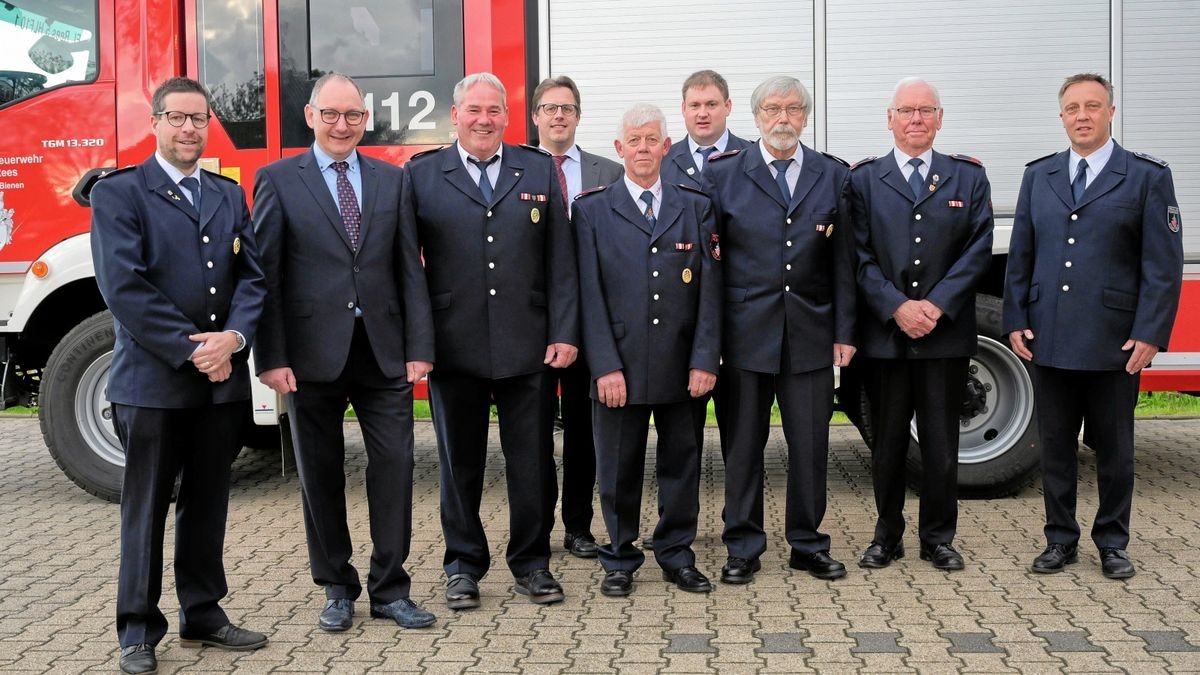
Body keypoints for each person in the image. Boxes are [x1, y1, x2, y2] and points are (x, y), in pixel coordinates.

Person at [90, 76, 268, 674]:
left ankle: (203, 614)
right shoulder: (120, 194)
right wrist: (193, 350)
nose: (189, 129)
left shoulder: (227, 193)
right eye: (177, 118)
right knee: (146, 509)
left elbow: (252, 277)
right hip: (153, 382)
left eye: (199, 119)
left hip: (220, 381)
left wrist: (234, 339)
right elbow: (124, 287)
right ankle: (138, 630)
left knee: (208, 502)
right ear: (155, 123)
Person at [252, 73, 437, 632]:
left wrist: (419, 346)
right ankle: (336, 586)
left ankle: (391, 589)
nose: (342, 125)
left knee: (395, 468)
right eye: (331, 114)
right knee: (321, 474)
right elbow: (267, 276)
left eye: (353, 115)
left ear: (365, 120)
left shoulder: (392, 180)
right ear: (310, 116)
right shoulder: (278, 180)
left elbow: (410, 268)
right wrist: (271, 356)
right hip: (310, 357)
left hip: (384, 353)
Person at [403, 72, 579, 609]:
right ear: (455, 115)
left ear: (508, 115)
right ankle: (462, 566)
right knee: (460, 464)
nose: (485, 119)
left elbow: (561, 258)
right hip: (453, 345)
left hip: (529, 344)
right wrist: (419, 343)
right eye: (474, 110)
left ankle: (532, 563)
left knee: (532, 461)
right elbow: (408, 268)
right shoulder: (423, 173)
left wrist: (564, 331)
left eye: (494, 110)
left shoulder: (538, 168)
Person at [1003, 73, 1183, 579]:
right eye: (1072, 108)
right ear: (1061, 116)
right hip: (1050, 335)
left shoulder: (1145, 176)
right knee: (1055, 449)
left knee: (1115, 450)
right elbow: (1022, 253)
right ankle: (1060, 539)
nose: (1082, 115)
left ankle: (1112, 542)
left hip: (1115, 340)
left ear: (1111, 112)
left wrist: (1150, 333)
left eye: (1093, 106)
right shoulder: (1040, 175)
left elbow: (1162, 265)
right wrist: (1016, 317)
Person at [702, 75, 856, 584]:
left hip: (810, 332)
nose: (783, 118)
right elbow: (710, 265)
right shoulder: (723, 173)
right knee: (743, 445)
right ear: (756, 117)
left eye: (792, 108)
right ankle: (743, 546)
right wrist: (711, 339)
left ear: (805, 116)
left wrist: (844, 331)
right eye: (772, 109)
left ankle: (807, 544)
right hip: (744, 334)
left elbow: (844, 262)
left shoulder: (833, 175)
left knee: (810, 445)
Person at [573, 103, 720, 596]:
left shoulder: (695, 206)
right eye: (633, 140)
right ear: (620, 148)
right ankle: (619, 558)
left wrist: (704, 359)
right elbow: (587, 295)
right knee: (618, 468)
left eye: (651, 139)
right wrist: (604, 366)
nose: (642, 148)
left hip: (681, 365)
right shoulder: (591, 210)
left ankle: (677, 555)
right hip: (620, 364)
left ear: (666, 147)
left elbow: (710, 290)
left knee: (682, 465)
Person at [849, 77, 993, 572]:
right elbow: (857, 255)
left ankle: (938, 538)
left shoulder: (967, 177)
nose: (916, 119)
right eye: (906, 110)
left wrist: (935, 306)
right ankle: (886, 536)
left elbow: (978, 249)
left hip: (944, 336)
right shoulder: (864, 180)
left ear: (940, 118)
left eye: (926, 110)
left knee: (941, 445)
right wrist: (897, 307)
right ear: (889, 118)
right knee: (888, 444)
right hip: (887, 338)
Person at [531, 75, 623, 559]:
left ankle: (579, 527)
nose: (559, 115)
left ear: (579, 116)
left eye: (567, 108)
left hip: (591, 324)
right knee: (535, 435)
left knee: (585, 434)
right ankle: (537, 528)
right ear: (535, 116)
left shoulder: (610, 171)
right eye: (550, 108)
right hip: (535, 325)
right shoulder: (518, 169)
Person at [662, 69, 754, 189]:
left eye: (711, 104)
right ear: (684, 109)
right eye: (695, 105)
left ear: (727, 107)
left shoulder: (753, 157)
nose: (702, 114)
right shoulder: (663, 161)